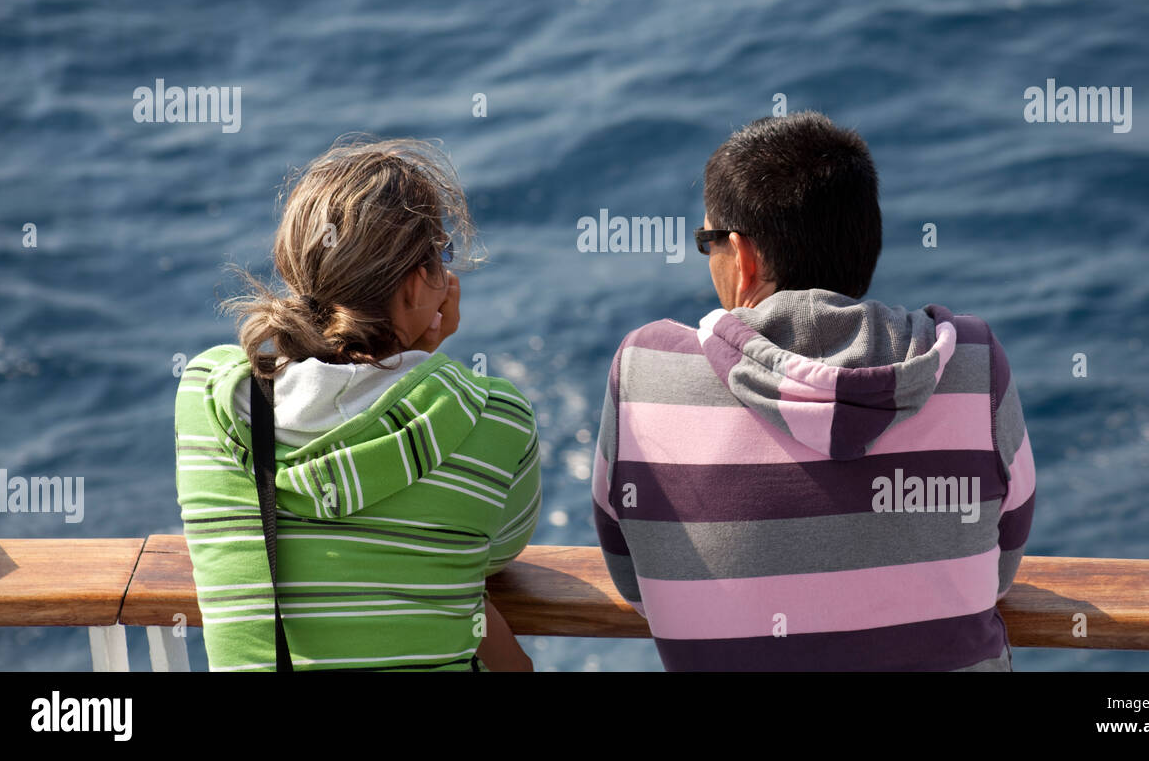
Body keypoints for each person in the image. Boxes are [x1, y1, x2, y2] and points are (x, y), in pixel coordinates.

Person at [591, 111, 1035, 671]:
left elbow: (635, 584)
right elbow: (999, 570)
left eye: (709, 243)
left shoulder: (644, 372)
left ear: (744, 257)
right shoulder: (971, 364)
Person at [175, 136, 540, 671]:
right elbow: (492, 548)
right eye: (442, 255)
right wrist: (417, 362)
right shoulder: (492, 417)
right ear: (418, 286)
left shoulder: (208, 398)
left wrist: (403, 356)